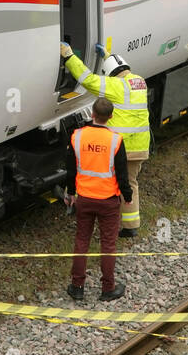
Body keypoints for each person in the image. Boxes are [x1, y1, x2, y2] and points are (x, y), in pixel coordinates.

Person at [62, 42, 150, 238]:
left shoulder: (115, 85)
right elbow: (119, 70)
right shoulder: (139, 82)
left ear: (111, 73)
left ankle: (101, 220)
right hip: (141, 146)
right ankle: (130, 225)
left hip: (120, 147)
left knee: (107, 183)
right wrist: (108, 56)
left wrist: (69, 56)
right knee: (131, 183)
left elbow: (88, 80)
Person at [63, 96, 132, 302]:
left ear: (92, 114)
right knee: (108, 244)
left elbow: (70, 169)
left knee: (81, 240)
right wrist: (127, 196)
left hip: (84, 199)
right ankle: (108, 288)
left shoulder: (77, 136)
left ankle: (77, 287)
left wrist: (71, 193)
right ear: (110, 117)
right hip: (108, 200)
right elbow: (122, 174)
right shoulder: (115, 140)